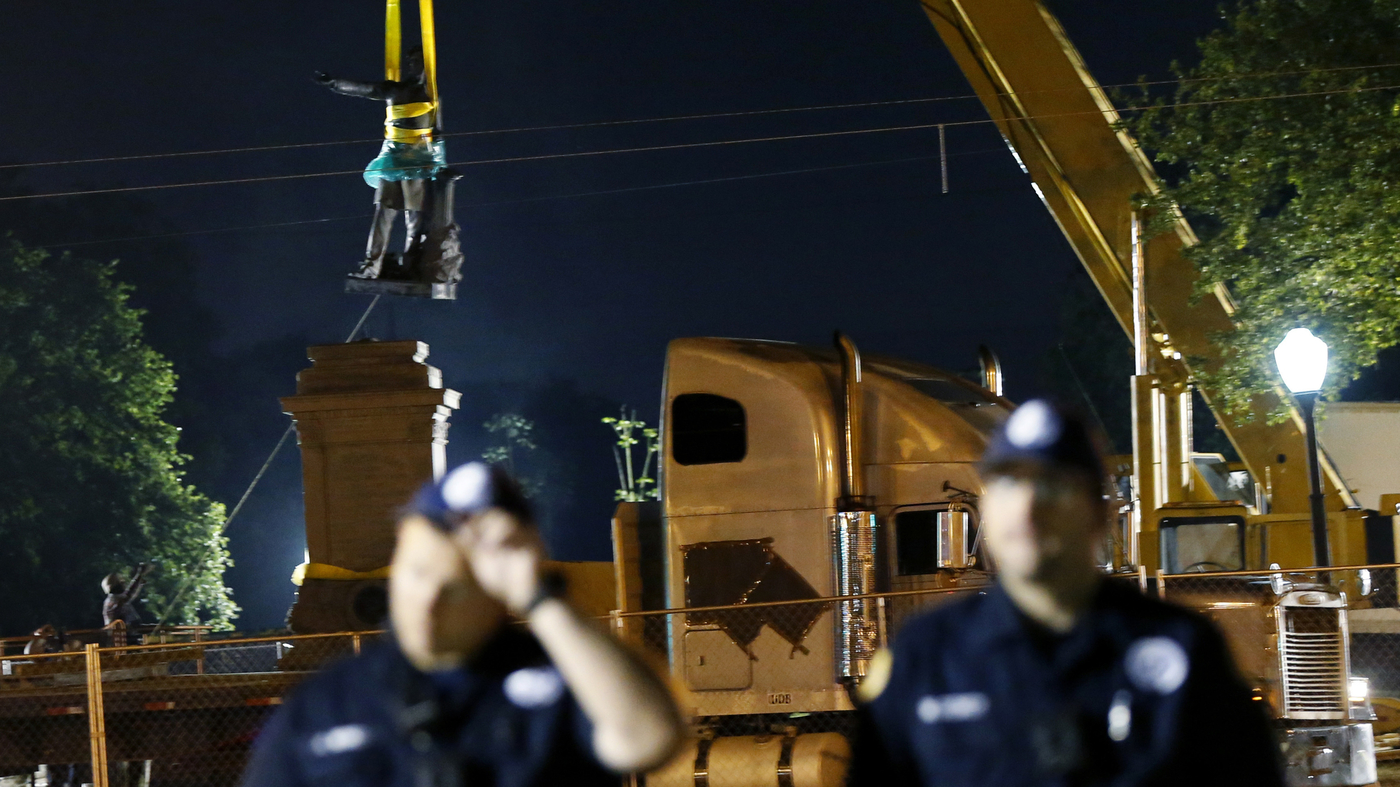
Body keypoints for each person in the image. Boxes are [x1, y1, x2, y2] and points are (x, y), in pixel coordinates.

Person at [848, 399, 1283, 786]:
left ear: (1100, 513)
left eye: (1054, 486)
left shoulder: (1181, 650)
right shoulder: (925, 658)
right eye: (1008, 484)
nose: (1028, 506)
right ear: (985, 508)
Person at [240, 462, 683, 786]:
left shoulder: (564, 686)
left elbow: (649, 739)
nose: (427, 602)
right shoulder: (331, 702)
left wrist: (541, 597)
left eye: (455, 587)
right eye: (416, 573)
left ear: (499, 593)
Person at [315, 47, 447, 280]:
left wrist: (438, 164)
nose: (415, 66)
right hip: (392, 160)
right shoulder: (396, 89)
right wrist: (335, 83)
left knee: (415, 219)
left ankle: (411, 266)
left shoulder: (431, 94)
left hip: (417, 161)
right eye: (412, 62)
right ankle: (371, 267)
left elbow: (437, 133)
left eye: (419, 61)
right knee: (383, 213)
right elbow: (367, 89)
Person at [102, 563, 151, 629]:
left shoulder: (118, 598)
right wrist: (139, 575)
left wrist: (139, 582)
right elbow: (129, 594)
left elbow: (130, 594)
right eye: (120, 582)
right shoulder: (113, 599)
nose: (123, 582)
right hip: (119, 633)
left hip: (127, 631)